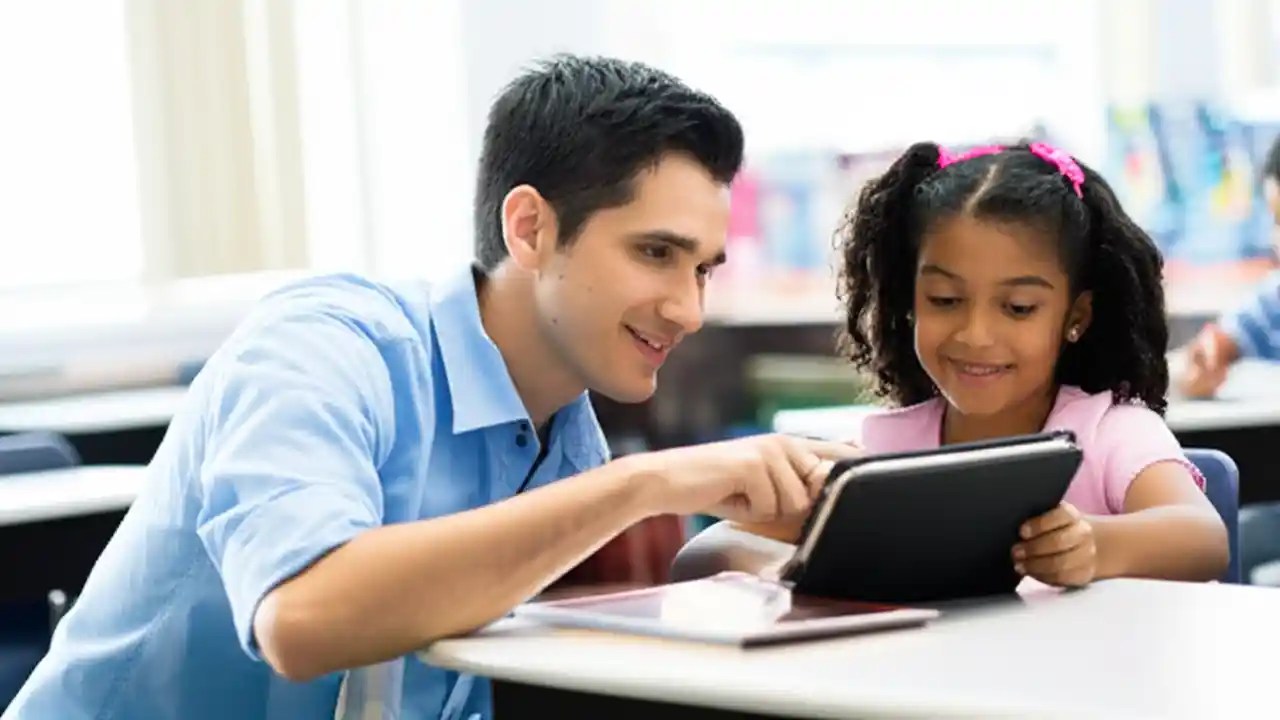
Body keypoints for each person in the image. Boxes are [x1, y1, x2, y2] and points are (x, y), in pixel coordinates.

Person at [4, 54, 855, 720]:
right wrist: (644, 483)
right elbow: (301, 623)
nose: (690, 309)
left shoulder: (564, 436)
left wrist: (781, 530)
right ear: (529, 228)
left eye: (704, 268)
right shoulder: (326, 348)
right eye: (655, 253)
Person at [677, 141, 1228, 589]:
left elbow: (1203, 538)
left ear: (1075, 316)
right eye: (944, 300)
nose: (976, 335)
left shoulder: (1112, 432)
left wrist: (1095, 545)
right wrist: (786, 574)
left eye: (1018, 308)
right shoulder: (889, 456)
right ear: (907, 301)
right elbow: (705, 551)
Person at [1178, 134, 1280, 398]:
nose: (1276, 239)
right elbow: (1220, 342)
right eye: (1276, 222)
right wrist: (1205, 358)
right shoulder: (1272, 303)